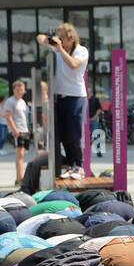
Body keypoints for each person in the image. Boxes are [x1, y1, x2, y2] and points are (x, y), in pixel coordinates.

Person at [40, 23, 89, 177]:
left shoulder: (81, 51)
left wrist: (60, 49)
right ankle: (71, 165)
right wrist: (49, 40)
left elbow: (74, 64)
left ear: (70, 37)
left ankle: (79, 166)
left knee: (74, 134)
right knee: (63, 134)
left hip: (76, 97)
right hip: (60, 96)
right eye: (58, 37)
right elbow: (39, 38)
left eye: (62, 37)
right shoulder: (57, 48)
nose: (59, 40)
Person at [3, 80, 32, 190]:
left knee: (23, 154)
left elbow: (24, 117)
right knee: (19, 155)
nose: (20, 91)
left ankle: (21, 177)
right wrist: (15, 130)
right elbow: (8, 116)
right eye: (17, 90)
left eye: (21, 90)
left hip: (24, 130)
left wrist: (27, 128)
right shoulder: (11, 101)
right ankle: (19, 178)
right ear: (14, 90)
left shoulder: (23, 102)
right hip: (17, 131)